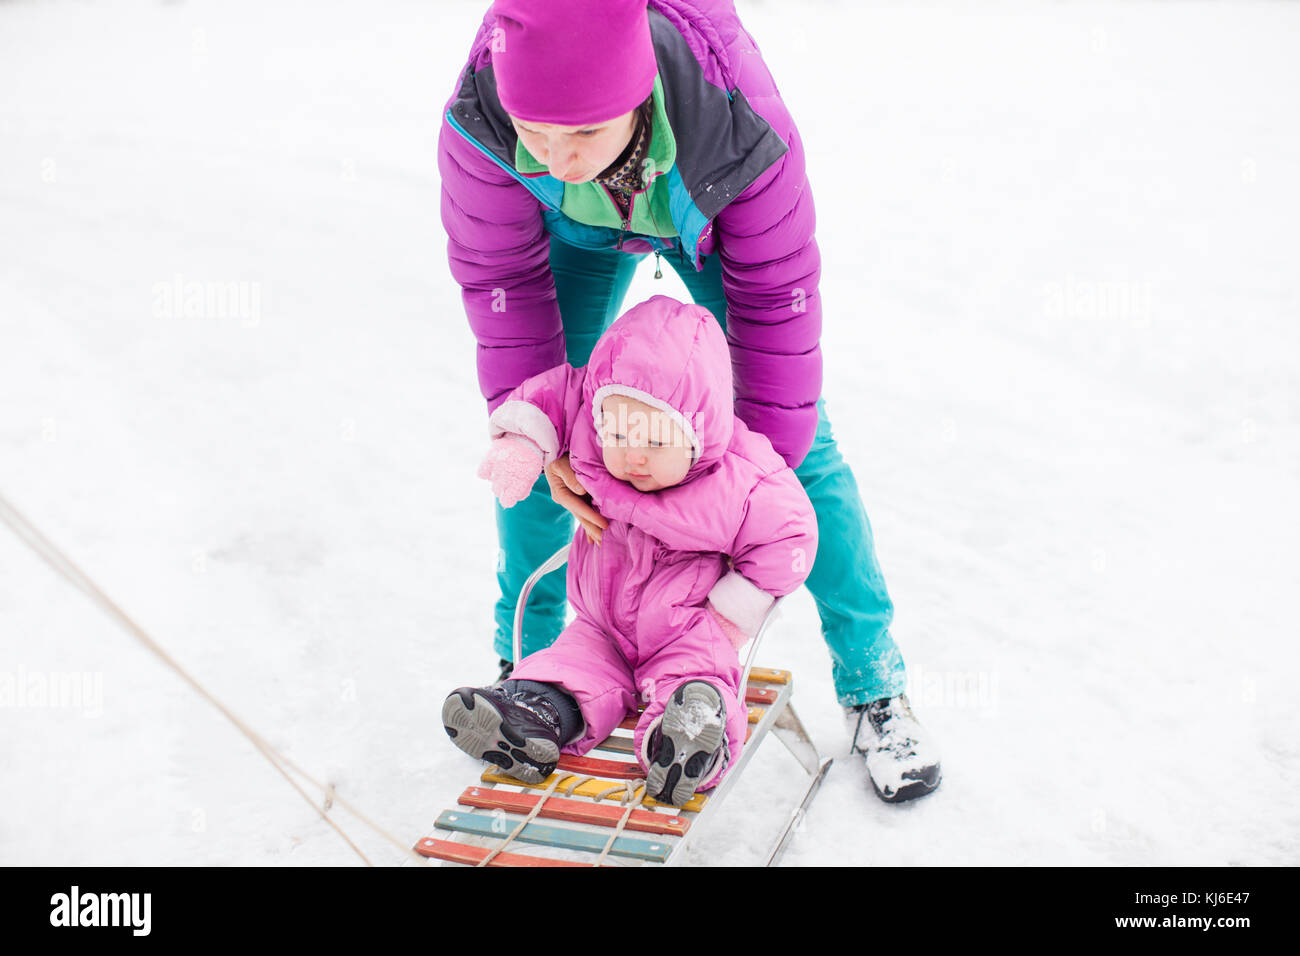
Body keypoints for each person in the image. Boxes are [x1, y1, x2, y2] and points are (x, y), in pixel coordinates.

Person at [438, 0, 941, 802]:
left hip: (704, 205)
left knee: (797, 457)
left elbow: (778, 304)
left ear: (637, 98)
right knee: (542, 446)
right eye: (537, 137)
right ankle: (527, 674)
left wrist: (739, 480)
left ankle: (875, 686)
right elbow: (499, 284)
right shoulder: (483, 117)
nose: (559, 158)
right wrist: (540, 434)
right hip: (569, 236)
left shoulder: (741, 128)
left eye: (581, 137)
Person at [443, 296, 818, 807]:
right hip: (601, 625)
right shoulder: (598, 424)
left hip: (686, 627)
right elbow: (554, 395)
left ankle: (686, 736)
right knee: (570, 668)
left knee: (697, 680)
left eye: (655, 443)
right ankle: (530, 715)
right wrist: (522, 445)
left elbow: (791, 536)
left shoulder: (742, 478)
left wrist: (729, 616)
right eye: (618, 433)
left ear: (700, 432)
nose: (631, 455)